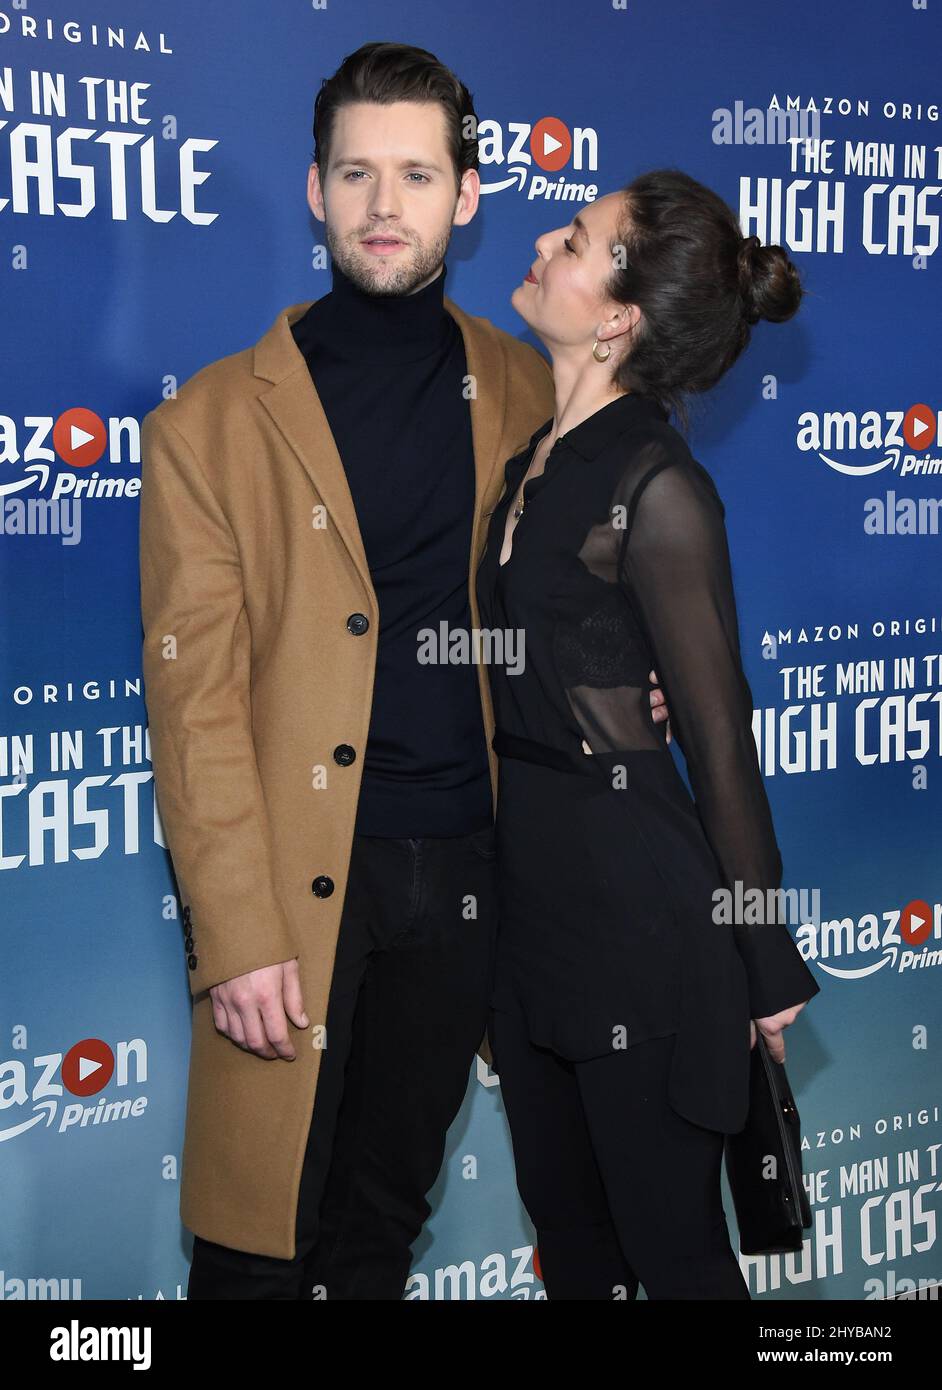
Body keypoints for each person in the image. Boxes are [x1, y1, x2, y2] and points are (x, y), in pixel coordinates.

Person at [139, 41, 671, 1299]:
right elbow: (193, 702)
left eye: (418, 175)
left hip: (478, 879)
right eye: (357, 174)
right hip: (296, 898)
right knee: (255, 1244)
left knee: (381, 1228)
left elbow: (575, 601)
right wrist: (237, 933)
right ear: (316, 190)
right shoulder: (207, 425)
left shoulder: (524, 390)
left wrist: (625, 687)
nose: (386, 206)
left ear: (468, 197)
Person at [475, 168, 822, 1300]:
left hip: (643, 924)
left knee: (672, 1262)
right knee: (575, 1255)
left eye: (574, 239)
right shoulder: (534, 462)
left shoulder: (660, 483)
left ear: (620, 317)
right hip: (530, 919)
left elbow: (720, 735)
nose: (543, 240)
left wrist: (764, 959)